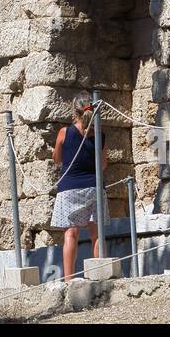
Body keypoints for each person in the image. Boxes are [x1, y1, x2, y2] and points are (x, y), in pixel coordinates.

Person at [52, 94, 103, 276]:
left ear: (75, 111)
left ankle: (68, 280)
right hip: (93, 187)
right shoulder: (99, 134)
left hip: (70, 188)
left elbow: (57, 159)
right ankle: (100, 274)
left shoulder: (64, 133)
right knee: (96, 235)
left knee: (71, 234)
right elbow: (103, 164)